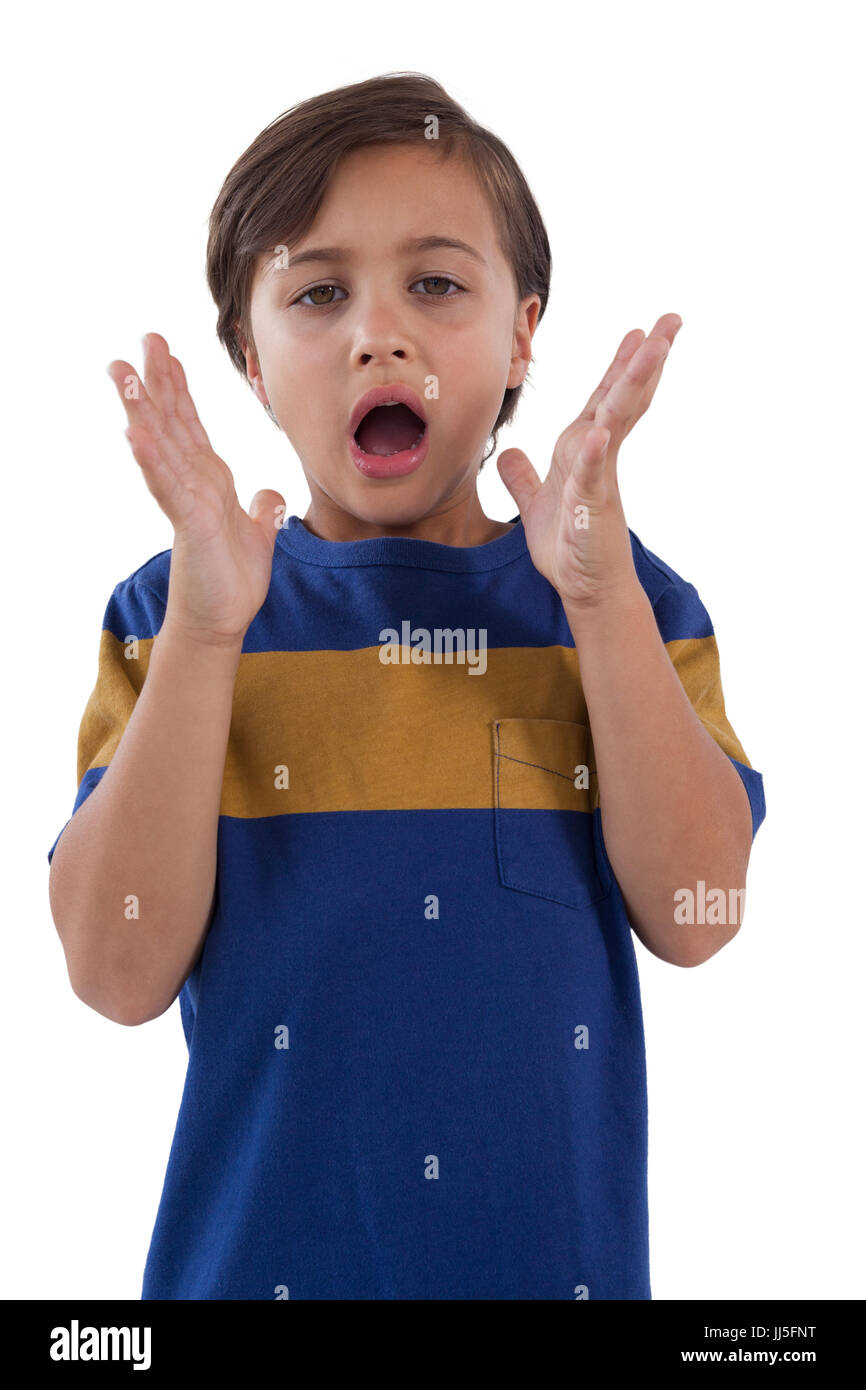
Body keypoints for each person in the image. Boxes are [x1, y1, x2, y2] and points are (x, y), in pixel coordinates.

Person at [46, 72, 765, 1300]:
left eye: (434, 284)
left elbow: (696, 916)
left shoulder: (621, 606)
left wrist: (597, 607)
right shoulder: (173, 617)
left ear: (521, 332)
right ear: (251, 362)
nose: (379, 332)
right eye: (318, 292)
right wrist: (208, 635)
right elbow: (116, 975)